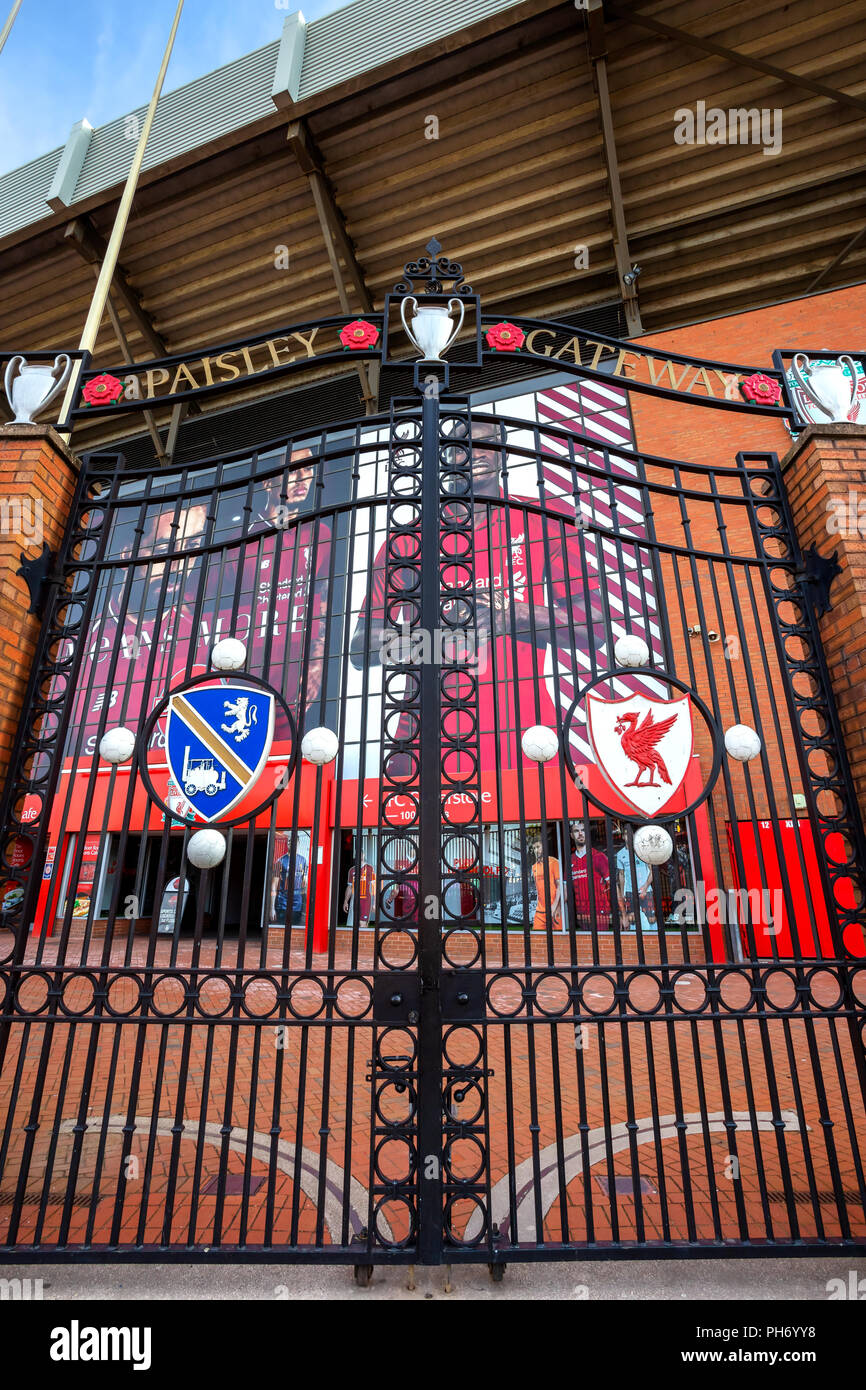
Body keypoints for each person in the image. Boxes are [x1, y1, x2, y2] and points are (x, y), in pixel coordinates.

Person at [348, 418, 604, 769]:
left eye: (486, 445)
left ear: (504, 456)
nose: (473, 454)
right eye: (458, 447)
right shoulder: (406, 540)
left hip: (525, 728)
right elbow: (361, 648)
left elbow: (594, 629)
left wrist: (512, 615)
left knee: (545, 818)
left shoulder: (544, 518)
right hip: (424, 734)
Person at [570, 820, 611, 930]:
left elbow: (613, 885)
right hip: (582, 915)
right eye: (576, 831)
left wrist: (622, 913)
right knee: (586, 946)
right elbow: (564, 890)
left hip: (599, 913)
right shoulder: (570, 860)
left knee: (602, 945)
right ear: (572, 835)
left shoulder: (598, 856)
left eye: (583, 830)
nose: (580, 833)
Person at [616, 832, 658, 933]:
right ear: (623, 836)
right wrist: (622, 893)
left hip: (646, 891)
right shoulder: (620, 854)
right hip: (630, 892)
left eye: (631, 834)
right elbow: (621, 875)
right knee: (632, 918)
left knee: (651, 918)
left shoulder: (643, 851)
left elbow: (652, 871)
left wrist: (645, 886)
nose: (629, 836)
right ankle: (634, 941)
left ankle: (655, 938)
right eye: (626, 834)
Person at [271, 840, 308, 926]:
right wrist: (272, 908)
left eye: (294, 842)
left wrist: (305, 909)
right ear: (287, 844)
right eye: (289, 842)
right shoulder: (279, 861)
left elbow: (305, 884)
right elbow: (274, 885)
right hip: (283, 901)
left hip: (297, 903)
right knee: (282, 927)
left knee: (295, 928)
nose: (292, 844)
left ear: (298, 844)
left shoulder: (303, 860)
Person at [530, 838, 562, 932]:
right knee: (537, 936)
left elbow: (560, 886)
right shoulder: (534, 867)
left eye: (538, 847)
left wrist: (555, 905)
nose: (536, 850)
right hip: (540, 911)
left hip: (555, 909)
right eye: (534, 848)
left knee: (558, 938)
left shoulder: (554, 862)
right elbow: (538, 889)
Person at [344, 858, 375, 926]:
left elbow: (374, 886)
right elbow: (349, 887)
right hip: (355, 899)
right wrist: (346, 901)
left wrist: (374, 903)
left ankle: (363, 936)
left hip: (366, 899)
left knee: (362, 923)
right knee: (355, 923)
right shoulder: (352, 870)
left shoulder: (369, 868)